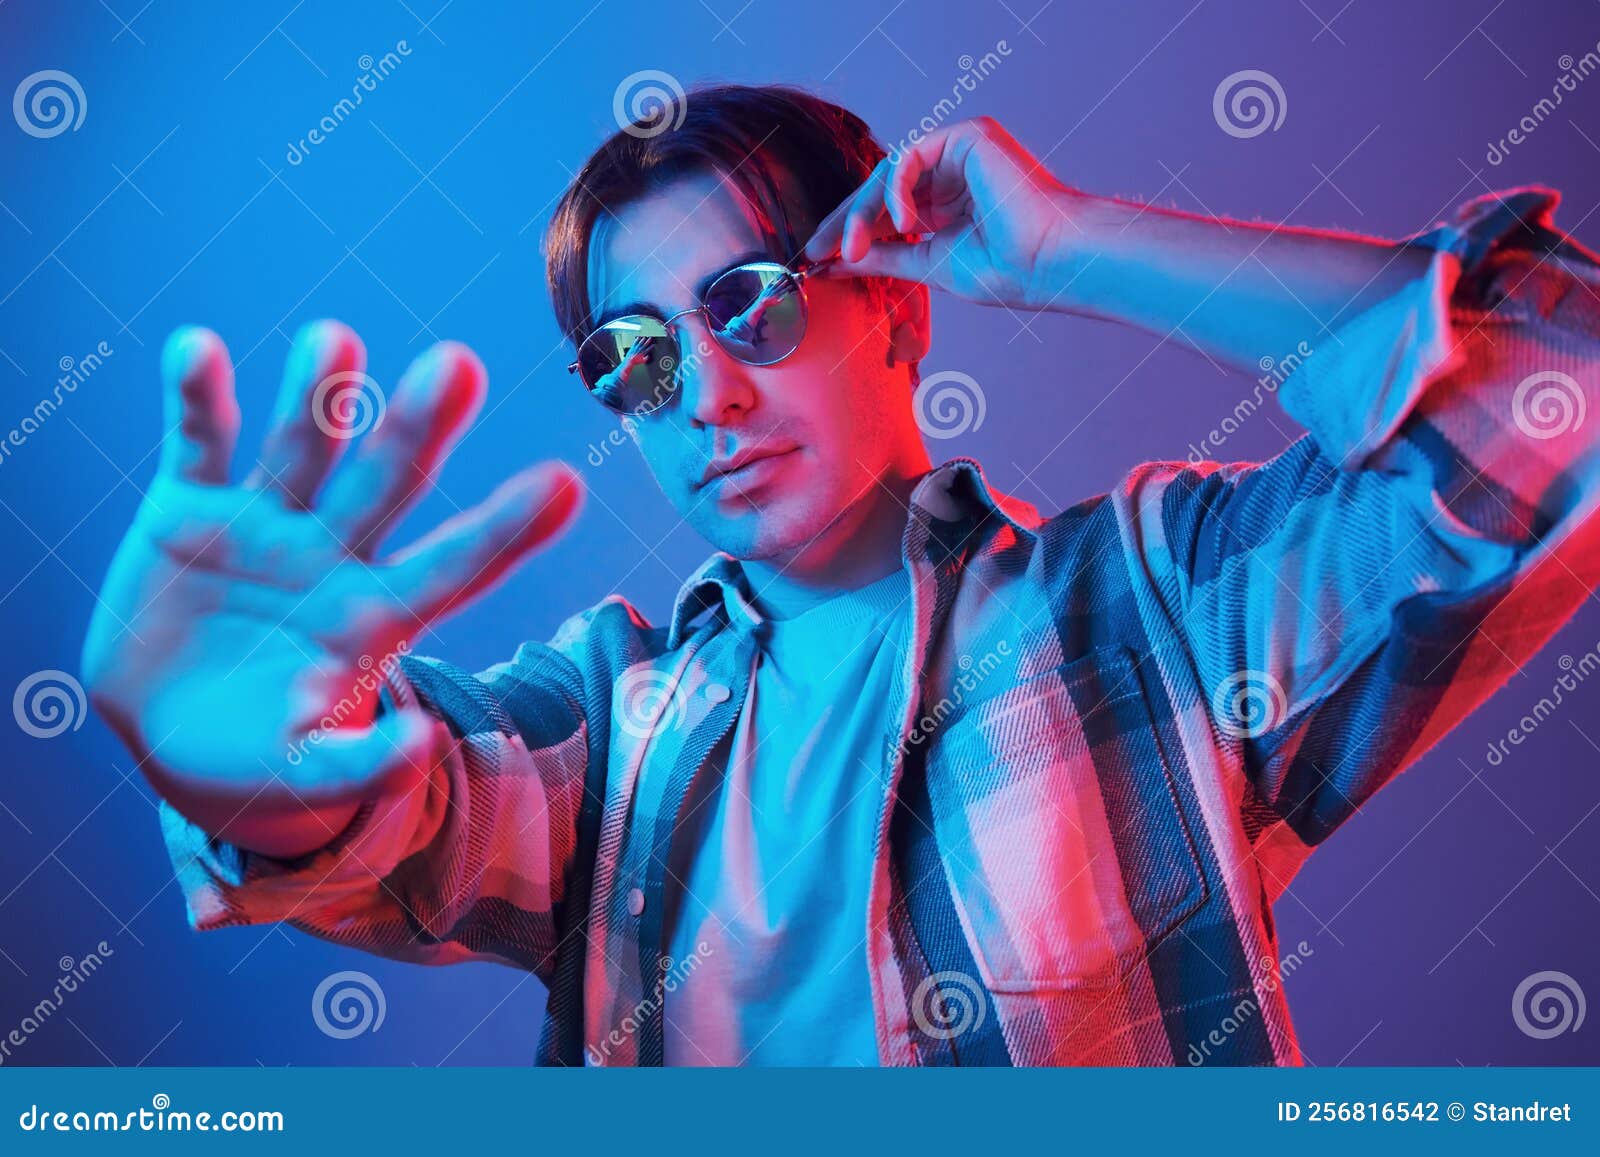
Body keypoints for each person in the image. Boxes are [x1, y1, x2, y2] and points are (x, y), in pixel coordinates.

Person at [81, 84, 1600, 1066]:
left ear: (894, 307)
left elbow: (1559, 398)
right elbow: (410, 797)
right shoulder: (611, 725)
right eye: (637, 359)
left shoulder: (1155, 618)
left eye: (751, 305)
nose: (706, 400)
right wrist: (260, 763)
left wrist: (1069, 244)